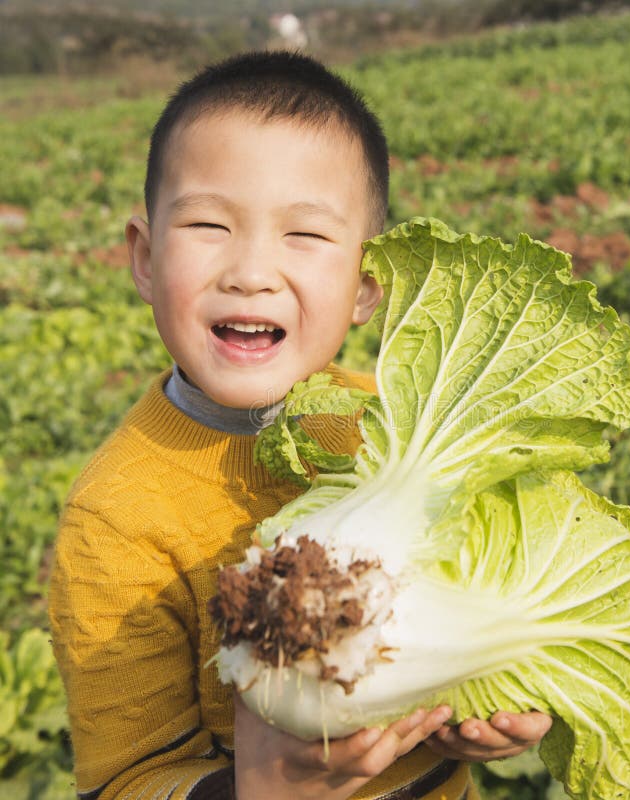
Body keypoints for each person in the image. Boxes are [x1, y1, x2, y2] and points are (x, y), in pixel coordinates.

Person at [48, 51, 552, 800]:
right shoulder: (112, 523)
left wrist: (494, 693)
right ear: (147, 258)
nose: (250, 271)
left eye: (306, 237)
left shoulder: (402, 432)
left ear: (366, 286)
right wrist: (262, 787)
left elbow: (481, 588)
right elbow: (125, 779)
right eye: (210, 224)